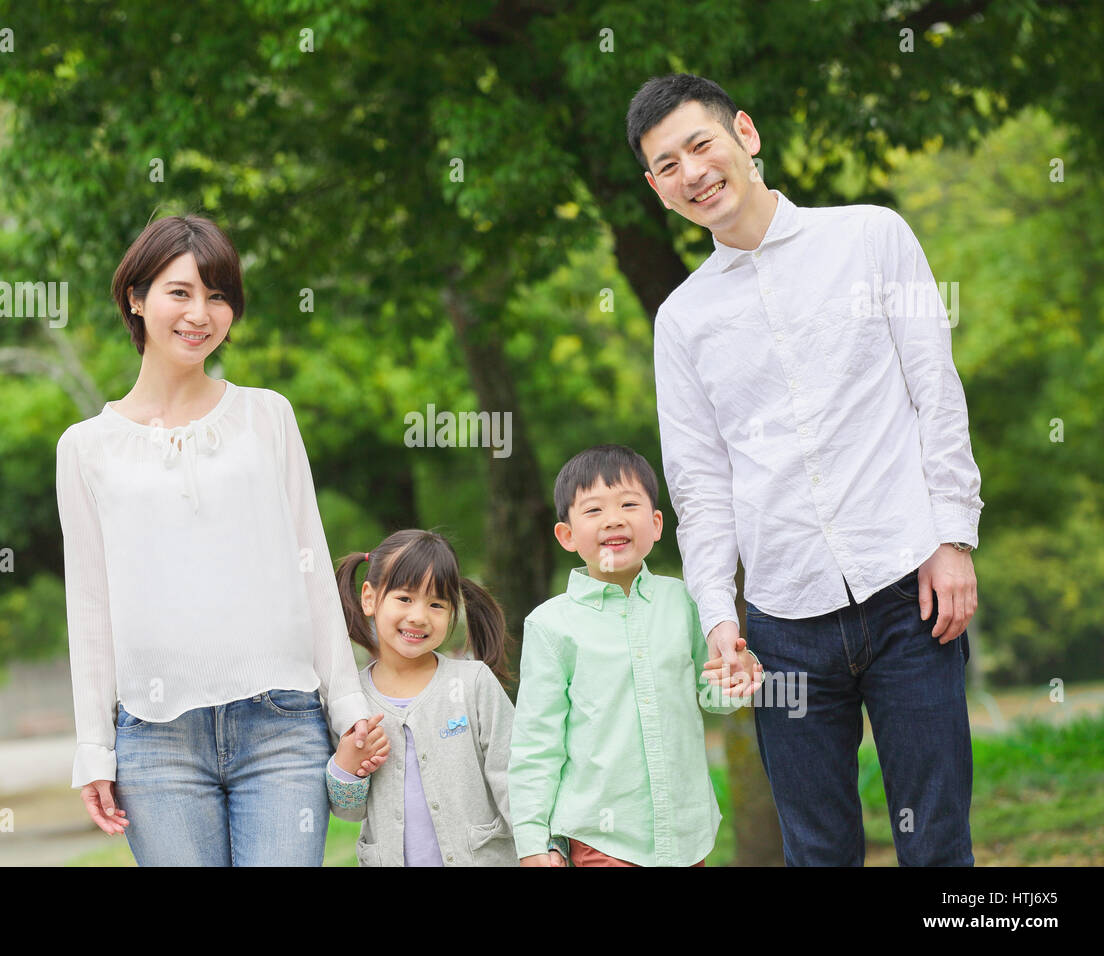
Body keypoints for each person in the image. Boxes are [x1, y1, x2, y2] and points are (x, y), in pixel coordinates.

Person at [627, 73, 984, 865]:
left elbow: (936, 392)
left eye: (701, 144)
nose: (693, 172)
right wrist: (720, 618)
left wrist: (953, 536)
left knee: (938, 845)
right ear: (658, 189)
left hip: (910, 593)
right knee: (817, 852)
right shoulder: (681, 319)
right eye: (668, 165)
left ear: (744, 135)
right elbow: (699, 483)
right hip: (783, 624)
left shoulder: (871, 236)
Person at [55, 214, 388, 866]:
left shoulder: (267, 416)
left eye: (218, 295)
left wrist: (347, 702)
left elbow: (312, 567)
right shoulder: (85, 449)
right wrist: (94, 747)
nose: (201, 313)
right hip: (155, 740)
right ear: (136, 297)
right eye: (180, 292)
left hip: (283, 725)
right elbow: (90, 607)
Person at [508, 445, 761, 867]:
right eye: (593, 510)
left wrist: (740, 675)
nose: (614, 519)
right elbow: (536, 744)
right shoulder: (551, 626)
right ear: (566, 535)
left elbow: (715, 696)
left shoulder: (684, 602)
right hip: (602, 839)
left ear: (657, 524)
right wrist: (533, 841)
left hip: (685, 833)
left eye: (629, 504)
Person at [325, 529, 519, 866]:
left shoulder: (472, 683)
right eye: (404, 598)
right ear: (370, 598)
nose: (419, 616)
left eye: (436, 604)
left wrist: (538, 849)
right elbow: (348, 811)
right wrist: (347, 767)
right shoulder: (350, 699)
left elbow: (513, 777)